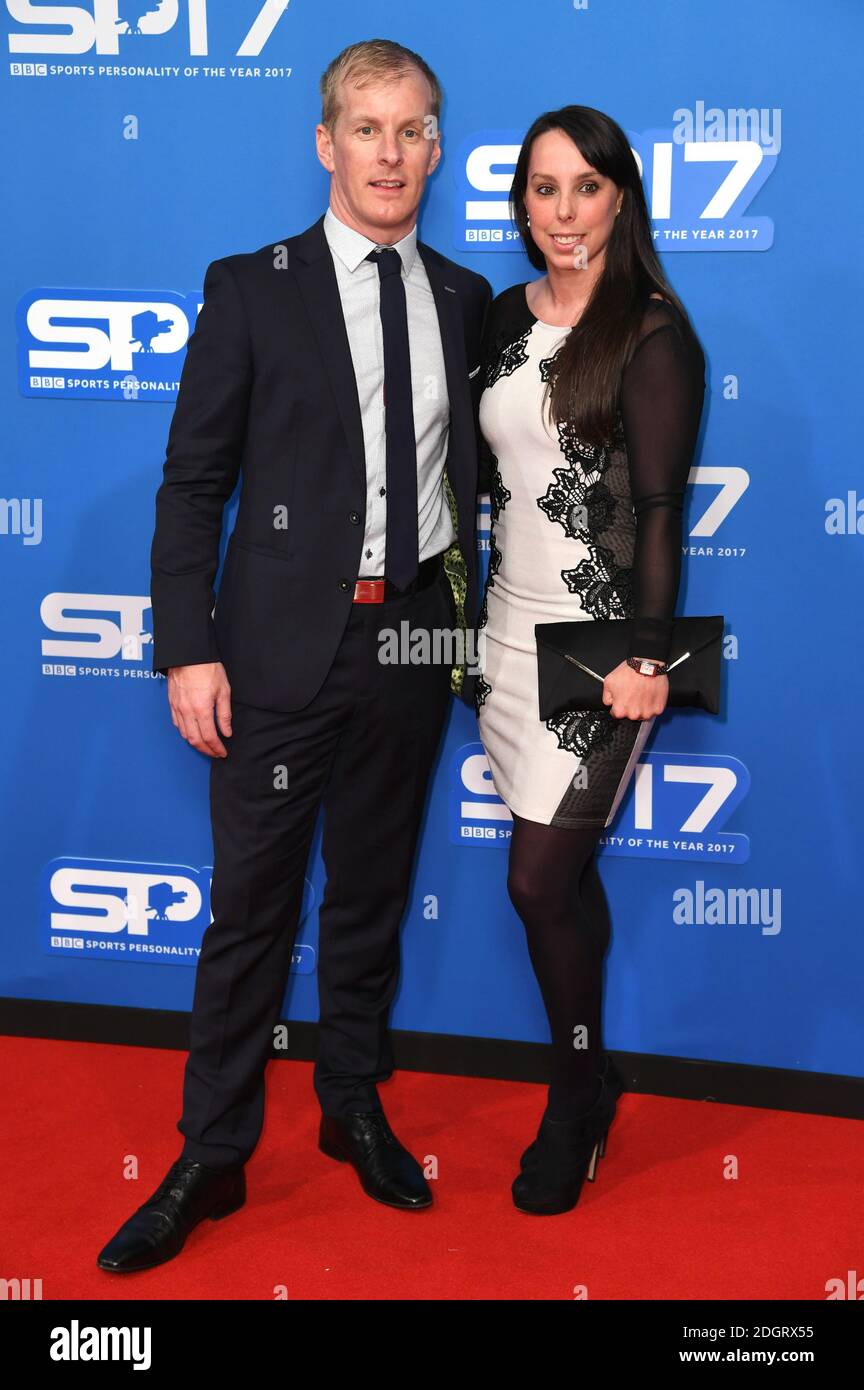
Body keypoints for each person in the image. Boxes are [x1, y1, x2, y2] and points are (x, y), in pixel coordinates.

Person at [97, 38, 491, 1273]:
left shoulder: (467, 300)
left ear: (437, 146)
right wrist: (186, 648)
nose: (391, 151)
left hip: (415, 635)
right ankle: (211, 1152)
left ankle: (353, 1103)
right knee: (252, 910)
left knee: (372, 894)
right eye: (367, 128)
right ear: (326, 144)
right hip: (273, 649)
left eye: (413, 128)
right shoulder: (250, 286)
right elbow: (193, 482)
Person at [474, 105, 706, 1215]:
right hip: (504, 637)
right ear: (523, 202)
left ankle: (576, 1098)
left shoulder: (654, 333)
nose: (562, 212)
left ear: (621, 198)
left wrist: (651, 657)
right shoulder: (500, 319)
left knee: (534, 877)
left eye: (585, 188)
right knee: (562, 880)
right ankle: (591, 1062)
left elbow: (661, 512)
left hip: (604, 649)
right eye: (542, 188)